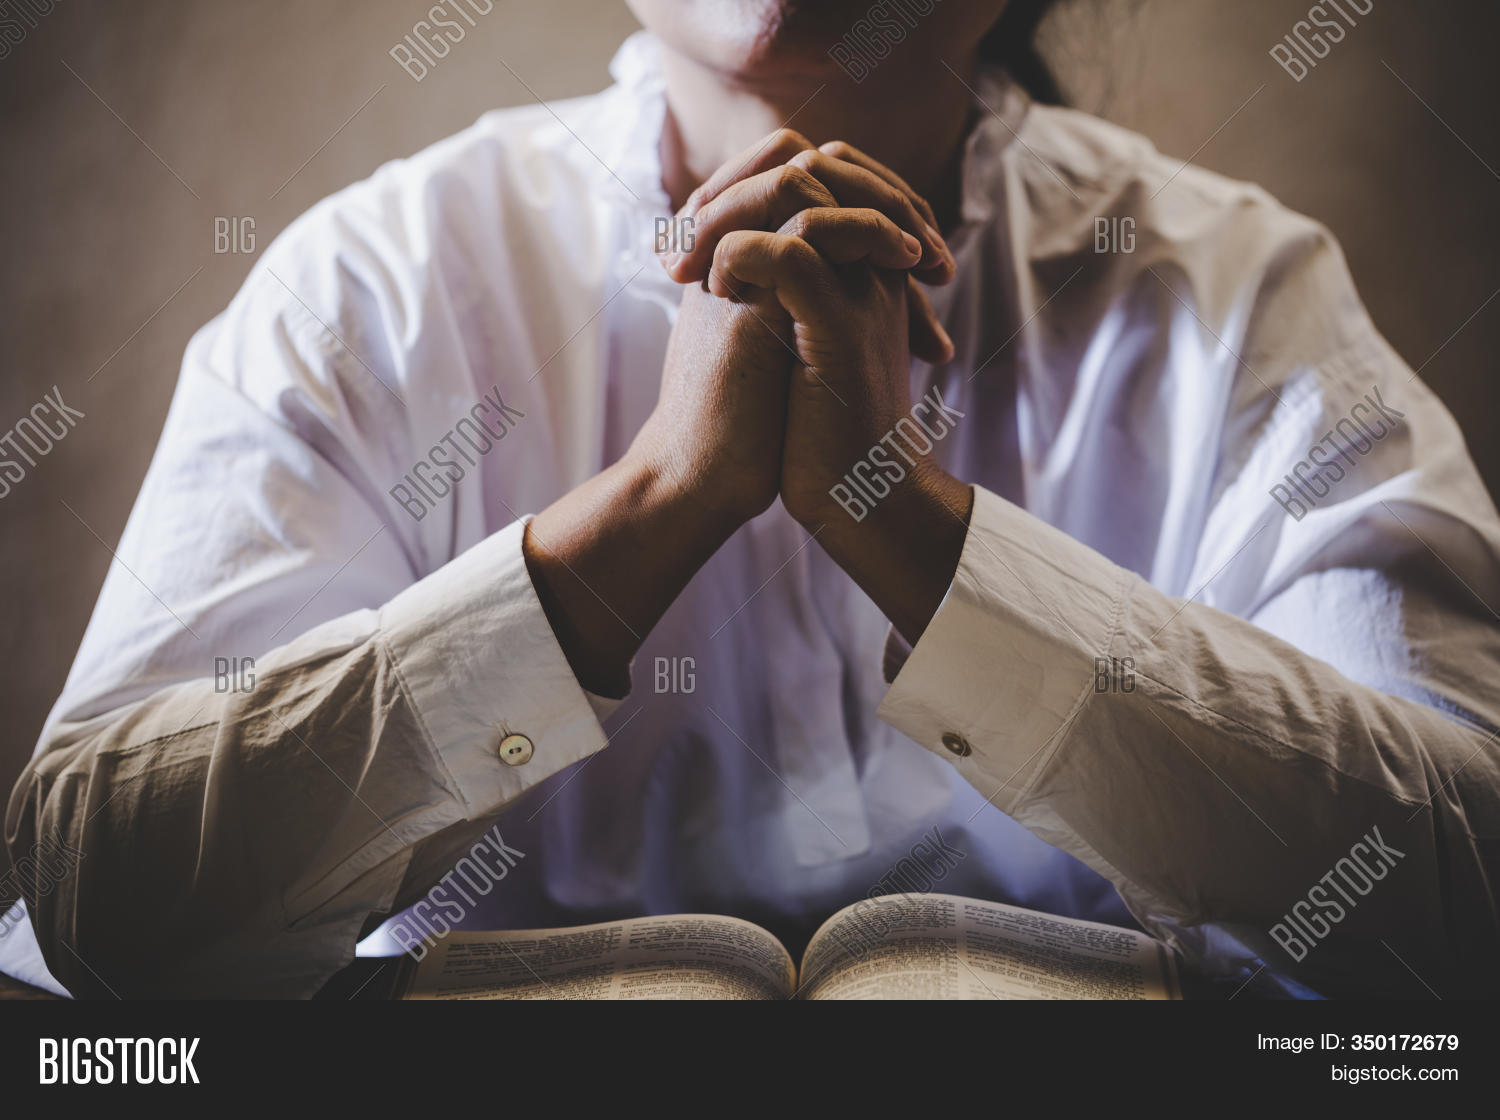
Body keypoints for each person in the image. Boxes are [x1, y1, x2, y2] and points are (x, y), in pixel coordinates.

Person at [5, 0, 1498, 999]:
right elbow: (92, 899)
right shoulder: (379, 282)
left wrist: (913, 528)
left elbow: (1466, 898)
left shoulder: (1234, 291)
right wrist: (648, 508)